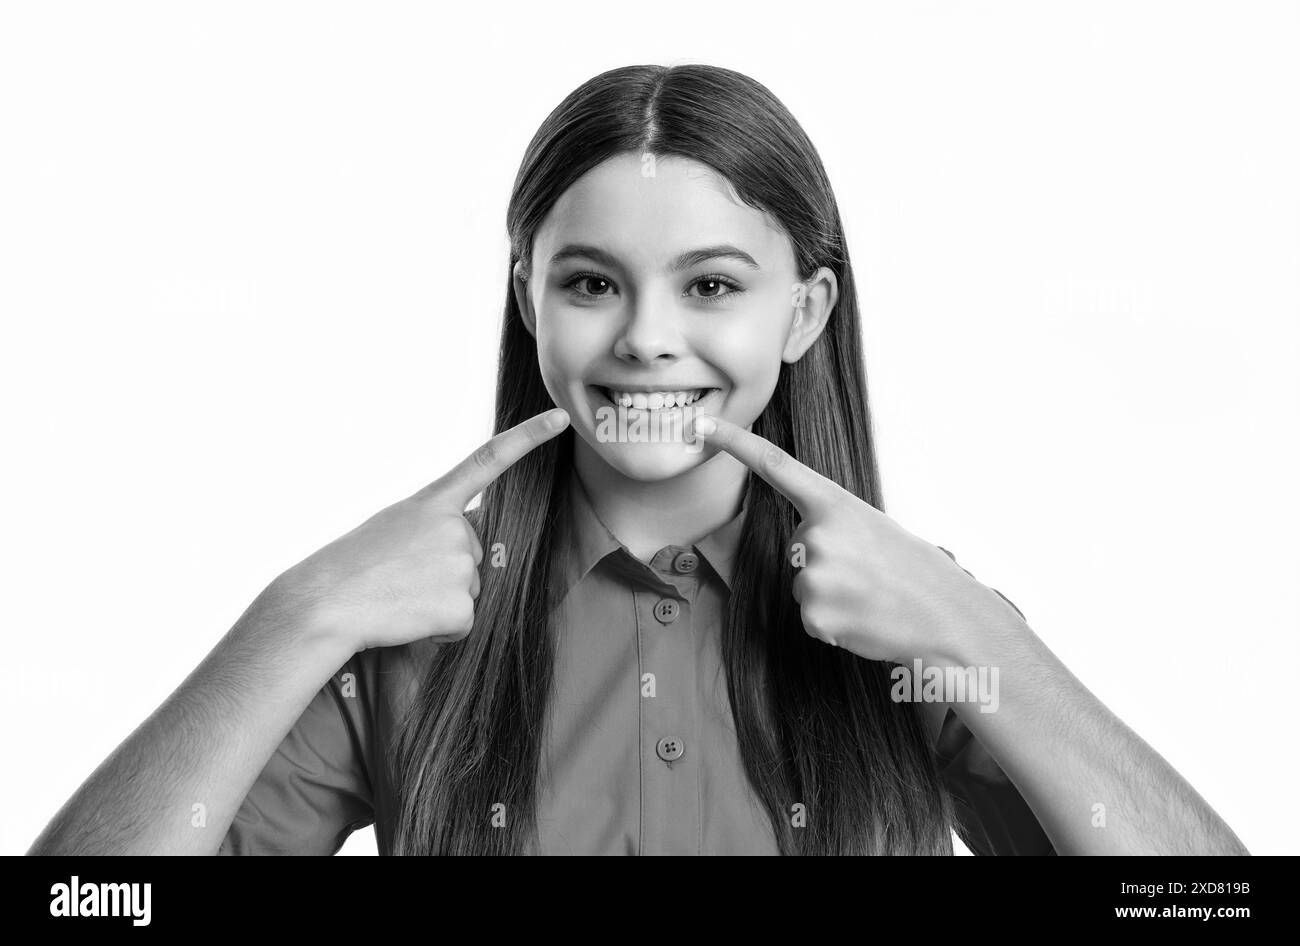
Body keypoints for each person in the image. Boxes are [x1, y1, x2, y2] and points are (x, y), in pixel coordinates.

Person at [28, 63, 1249, 856]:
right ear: (528, 298)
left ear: (805, 311)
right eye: (592, 283)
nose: (647, 337)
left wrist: (983, 640)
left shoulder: (909, 634)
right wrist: (293, 618)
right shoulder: (397, 638)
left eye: (711, 283)